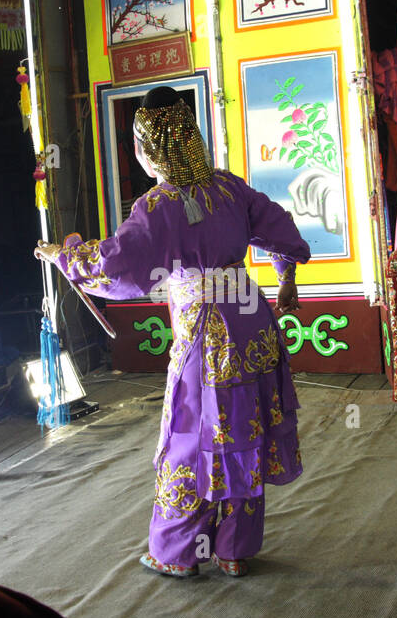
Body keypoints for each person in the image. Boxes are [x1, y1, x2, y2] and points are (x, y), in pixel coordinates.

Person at [35, 86, 311, 580]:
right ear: (191, 138)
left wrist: (64, 256)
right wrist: (285, 278)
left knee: (192, 435)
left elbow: (114, 266)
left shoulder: (159, 205)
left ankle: (178, 551)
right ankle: (234, 547)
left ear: (145, 149)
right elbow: (281, 228)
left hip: (208, 335)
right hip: (252, 322)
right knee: (244, 429)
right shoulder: (228, 188)